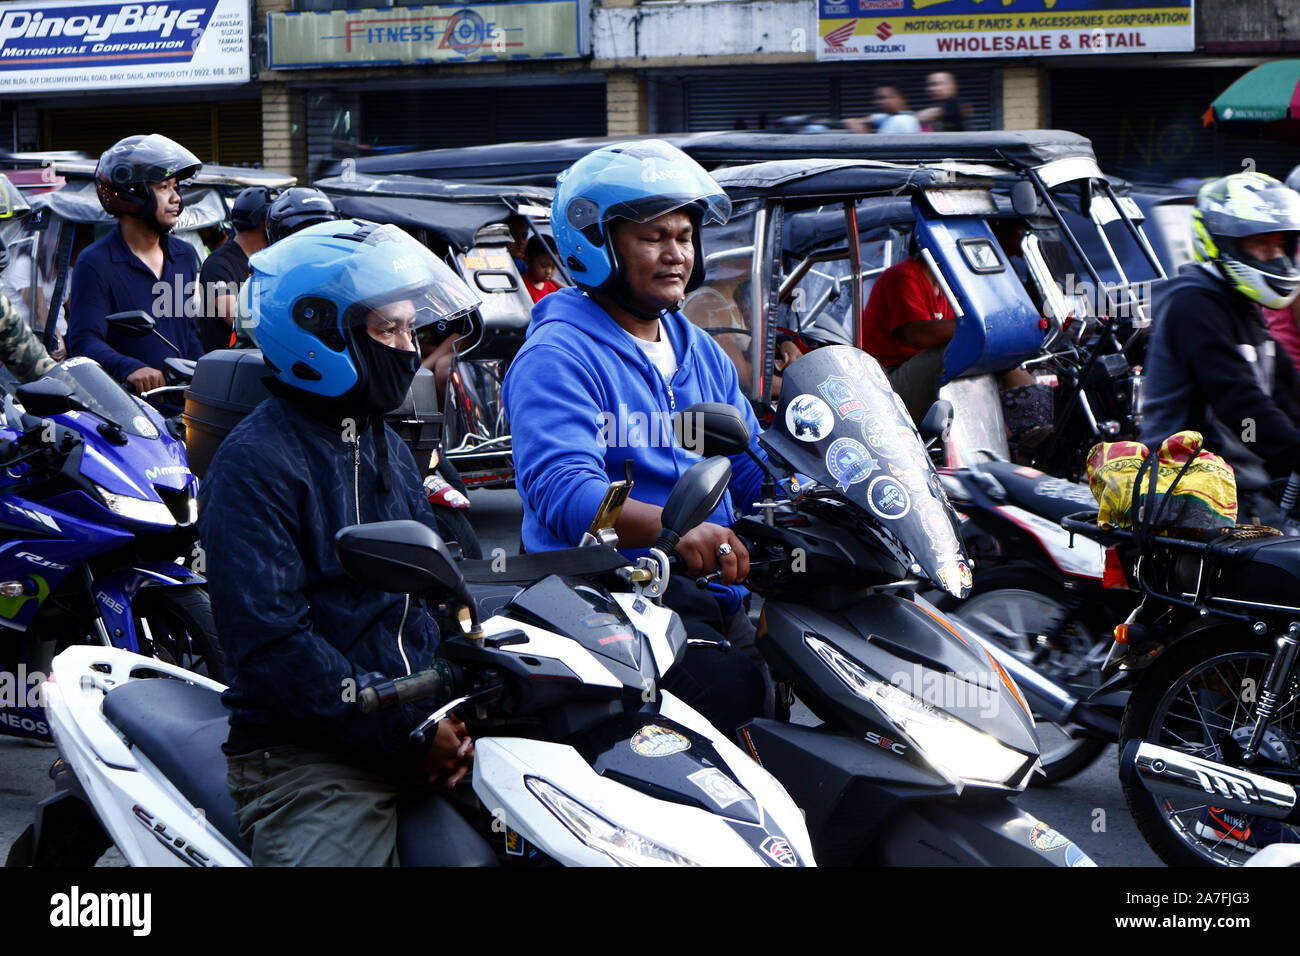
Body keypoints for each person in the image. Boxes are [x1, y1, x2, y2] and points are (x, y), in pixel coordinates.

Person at [198, 219, 484, 866]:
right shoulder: (256, 465)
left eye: (412, 329)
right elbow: (274, 648)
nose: (409, 349)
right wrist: (410, 731)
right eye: (389, 330)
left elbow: (438, 590)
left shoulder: (387, 444)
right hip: (306, 759)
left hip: (412, 728)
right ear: (320, 336)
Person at [502, 140, 770, 733]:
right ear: (596, 244)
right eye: (653, 238)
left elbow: (747, 460)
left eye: (684, 237)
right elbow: (569, 495)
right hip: (609, 600)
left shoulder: (699, 349)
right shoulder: (558, 356)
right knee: (732, 696)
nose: (676, 254)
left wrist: (804, 499)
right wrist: (671, 528)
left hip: (709, 591)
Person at [1140, 171, 1300, 516]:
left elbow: (1287, 392)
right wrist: (1292, 450)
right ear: (1222, 243)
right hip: (1187, 491)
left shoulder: (1243, 306)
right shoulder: (1194, 305)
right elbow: (1238, 404)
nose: (1274, 256)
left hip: (1236, 483)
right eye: (1260, 244)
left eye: (1279, 245)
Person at [66, 134, 203, 404]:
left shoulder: (184, 256)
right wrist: (130, 367)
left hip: (185, 408)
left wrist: (207, 375)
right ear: (133, 193)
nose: (176, 198)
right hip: (129, 413)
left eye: (176, 187)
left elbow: (187, 332)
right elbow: (84, 341)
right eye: (164, 187)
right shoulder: (95, 263)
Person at [228, 187, 340, 348]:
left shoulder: (340, 280)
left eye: (322, 231)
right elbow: (291, 348)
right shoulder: (260, 287)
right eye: (303, 234)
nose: (314, 241)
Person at [198, 186, 273, 353]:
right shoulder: (218, 264)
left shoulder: (267, 263)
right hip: (231, 370)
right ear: (265, 223)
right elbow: (238, 319)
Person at [520, 234, 560, 304]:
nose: (549, 271)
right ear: (527, 261)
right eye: (544, 265)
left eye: (554, 267)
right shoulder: (522, 285)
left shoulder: (552, 287)